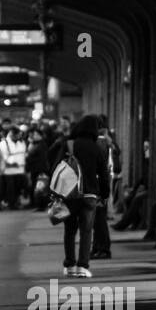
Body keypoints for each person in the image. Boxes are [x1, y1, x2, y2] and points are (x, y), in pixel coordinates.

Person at [48, 114, 111, 278]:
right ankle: (83, 266)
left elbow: (56, 166)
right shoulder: (98, 147)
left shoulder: (69, 145)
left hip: (70, 194)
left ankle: (69, 264)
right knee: (86, 230)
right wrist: (105, 194)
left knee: (69, 230)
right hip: (90, 194)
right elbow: (104, 174)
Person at [91, 116, 116, 259]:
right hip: (104, 182)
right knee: (98, 219)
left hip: (99, 184)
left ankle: (103, 248)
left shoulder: (99, 143)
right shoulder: (107, 141)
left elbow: (100, 167)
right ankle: (98, 247)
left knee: (99, 220)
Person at [1, 125, 29, 209]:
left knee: (19, 187)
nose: (19, 136)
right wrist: (11, 163)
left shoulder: (22, 142)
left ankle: (17, 202)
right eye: (17, 134)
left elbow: (24, 154)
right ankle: (11, 203)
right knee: (10, 188)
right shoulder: (4, 143)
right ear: (12, 134)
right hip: (8, 171)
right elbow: (3, 157)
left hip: (20, 170)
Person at [25, 130, 49, 209]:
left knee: (40, 188)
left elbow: (42, 159)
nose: (34, 136)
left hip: (39, 170)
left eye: (36, 134)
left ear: (40, 136)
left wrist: (28, 157)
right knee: (35, 187)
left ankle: (40, 205)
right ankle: (36, 203)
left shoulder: (42, 145)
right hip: (34, 169)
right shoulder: (35, 144)